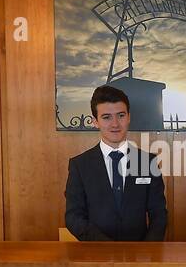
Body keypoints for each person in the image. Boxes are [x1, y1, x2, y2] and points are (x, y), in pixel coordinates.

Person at [65, 85, 167, 242]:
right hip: (97, 257)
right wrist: (107, 248)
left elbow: (159, 213)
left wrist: (148, 251)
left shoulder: (148, 162)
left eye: (120, 115)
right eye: (106, 117)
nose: (115, 124)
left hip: (140, 258)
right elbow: (73, 217)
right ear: (95, 122)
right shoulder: (79, 165)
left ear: (129, 117)